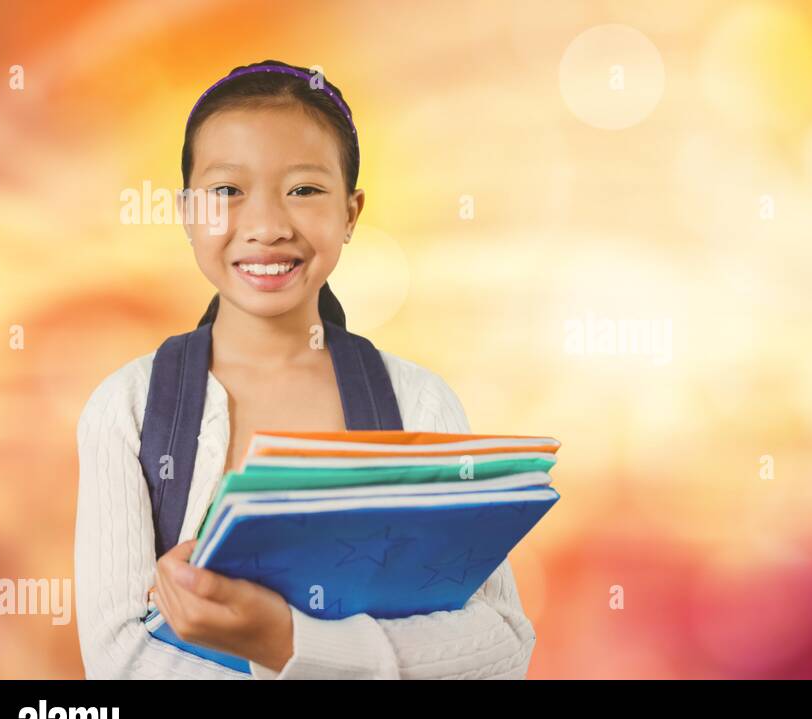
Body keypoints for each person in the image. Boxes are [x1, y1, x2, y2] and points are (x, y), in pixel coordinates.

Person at [74, 60, 535, 679]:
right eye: (226, 191)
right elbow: (117, 660)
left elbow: (502, 644)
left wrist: (285, 642)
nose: (267, 228)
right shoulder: (130, 409)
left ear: (351, 213)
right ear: (186, 213)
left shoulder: (419, 404)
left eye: (305, 190)